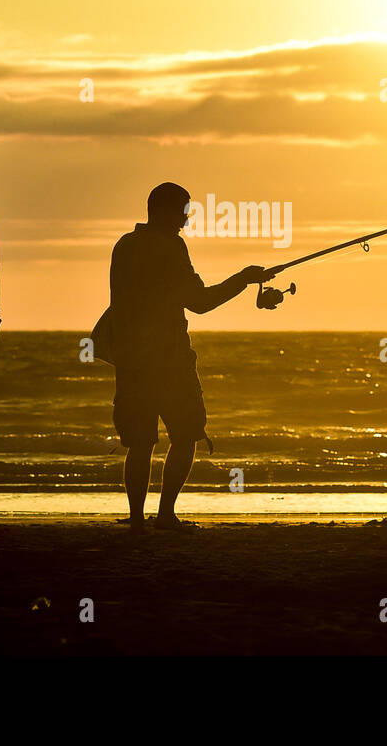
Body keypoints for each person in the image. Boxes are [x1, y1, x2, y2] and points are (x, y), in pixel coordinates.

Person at [103, 182, 273, 532]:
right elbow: (200, 302)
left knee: (140, 441)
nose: (186, 219)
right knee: (185, 435)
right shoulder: (169, 248)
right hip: (168, 359)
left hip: (132, 359)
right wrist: (243, 279)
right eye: (183, 211)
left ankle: (137, 521)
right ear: (165, 211)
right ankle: (165, 516)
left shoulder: (124, 246)